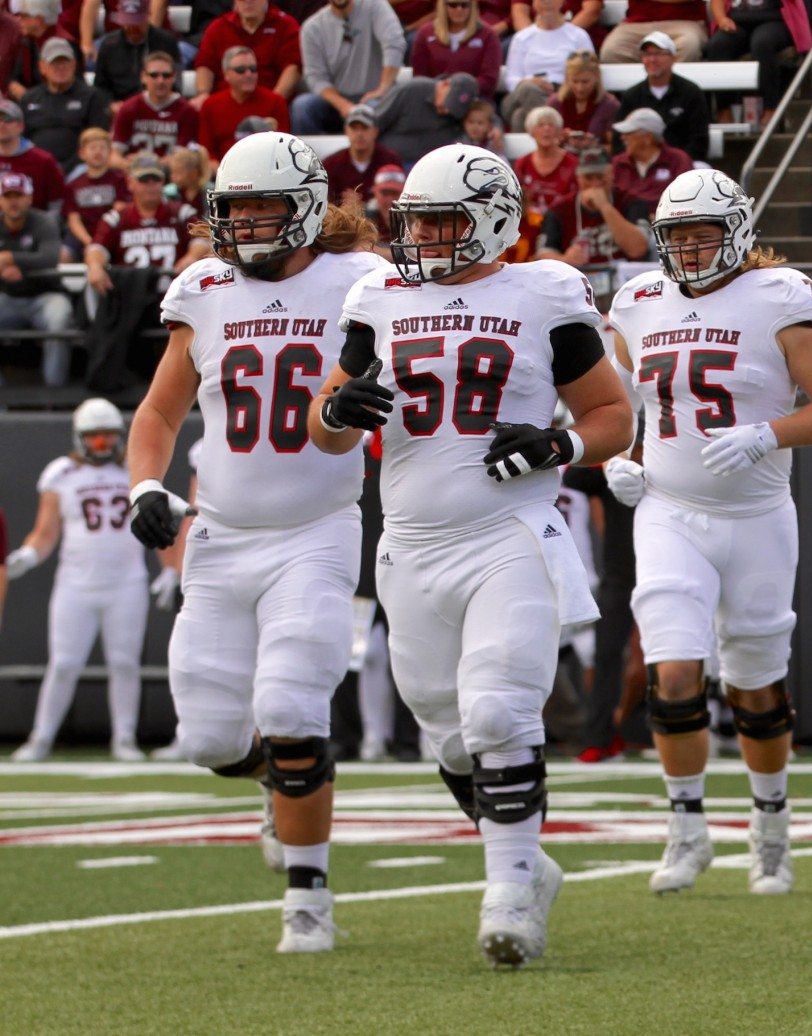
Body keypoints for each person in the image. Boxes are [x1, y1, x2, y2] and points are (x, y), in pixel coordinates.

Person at [307, 142, 633, 965]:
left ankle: (509, 895)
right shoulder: (377, 293)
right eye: (418, 221)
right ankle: (527, 862)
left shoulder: (545, 291)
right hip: (409, 545)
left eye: (446, 220)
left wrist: (558, 444)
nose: (428, 237)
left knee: (497, 711)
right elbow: (320, 419)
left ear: (493, 218)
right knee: (448, 736)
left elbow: (612, 419)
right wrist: (339, 407)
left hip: (507, 535)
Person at [124, 132, 386, 953]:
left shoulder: (361, 281)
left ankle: (308, 896)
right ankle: (278, 786)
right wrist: (145, 486)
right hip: (223, 536)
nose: (245, 223)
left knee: (290, 706)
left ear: (304, 208)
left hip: (315, 530)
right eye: (234, 208)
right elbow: (161, 413)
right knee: (208, 738)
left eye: (262, 206)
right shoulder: (204, 287)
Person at [603, 168, 812, 896]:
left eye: (702, 233)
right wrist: (624, 456)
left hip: (753, 515)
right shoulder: (638, 301)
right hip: (668, 509)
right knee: (674, 670)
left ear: (737, 232)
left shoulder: (777, 299)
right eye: (675, 235)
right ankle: (686, 830)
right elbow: (623, 400)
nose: (687, 248)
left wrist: (767, 435)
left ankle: (770, 828)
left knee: (755, 681)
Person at [7, 399, 150, 761]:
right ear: (79, 438)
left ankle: (125, 738)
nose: (102, 445)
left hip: (126, 582)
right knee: (65, 662)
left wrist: (171, 570)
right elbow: (45, 532)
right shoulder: (61, 474)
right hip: (75, 583)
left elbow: (154, 522)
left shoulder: (135, 468)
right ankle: (41, 738)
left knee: (124, 662)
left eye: (108, 437)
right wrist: (27, 555)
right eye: (95, 438)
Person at [84, 154, 205, 291]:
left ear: (163, 182)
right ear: (130, 183)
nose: (151, 185)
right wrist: (95, 266)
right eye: (144, 179)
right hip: (132, 299)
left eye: (156, 179)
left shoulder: (183, 213)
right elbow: (96, 248)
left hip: (174, 295)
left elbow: (202, 240)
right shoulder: (115, 218)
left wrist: (192, 256)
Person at [0, 172, 71, 384]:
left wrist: (9, 258)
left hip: (46, 294)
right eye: (8, 196)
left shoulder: (43, 221)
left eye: (18, 196)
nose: (13, 202)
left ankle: (54, 396)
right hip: (7, 296)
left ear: (29, 198)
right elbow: (37, 259)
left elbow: (49, 258)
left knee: (60, 319)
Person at [293, 0, 406, 134]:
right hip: (335, 102)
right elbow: (315, 77)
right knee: (302, 106)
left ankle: (380, 154)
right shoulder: (312, 27)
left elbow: (394, 44)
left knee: (378, 107)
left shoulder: (375, 5)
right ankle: (311, 154)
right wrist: (343, 105)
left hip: (376, 97)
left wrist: (382, 88)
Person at [536, 148, 651, 265]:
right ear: (578, 178)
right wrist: (565, 260)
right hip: (579, 277)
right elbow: (544, 254)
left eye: (601, 177)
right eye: (588, 177)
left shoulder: (631, 202)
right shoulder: (559, 209)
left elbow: (638, 250)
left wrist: (605, 206)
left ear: (611, 175)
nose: (595, 183)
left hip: (623, 277)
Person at [615, 30, 712, 161]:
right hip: (641, 164)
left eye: (659, 54)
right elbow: (620, 140)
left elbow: (698, 140)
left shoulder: (691, 93)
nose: (652, 59)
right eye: (647, 54)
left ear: (673, 58)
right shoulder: (631, 96)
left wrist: (679, 165)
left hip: (684, 165)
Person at [499, 0, 594, 132]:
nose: (546, 1)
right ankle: (555, 131)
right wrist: (530, 82)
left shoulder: (578, 36)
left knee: (519, 116)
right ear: (533, 3)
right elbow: (511, 80)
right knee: (528, 89)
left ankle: (541, 141)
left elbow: (589, 71)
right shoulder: (521, 38)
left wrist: (562, 87)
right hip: (522, 93)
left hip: (561, 93)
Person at [21, 38, 112, 168]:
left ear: (74, 64)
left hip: (80, 168)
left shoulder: (92, 96)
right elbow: (21, 139)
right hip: (36, 168)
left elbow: (97, 138)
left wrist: (68, 167)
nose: (61, 68)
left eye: (65, 62)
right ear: (42, 67)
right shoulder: (29, 98)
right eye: (55, 63)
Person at [197, 46, 291, 159]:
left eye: (253, 69)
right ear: (226, 74)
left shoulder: (275, 101)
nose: (248, 74)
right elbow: (206, 153)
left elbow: (283, 150)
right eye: (241, 70)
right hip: (221, 172)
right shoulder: (210, 105)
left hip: (263, 170)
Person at [112, 50, 203, 161]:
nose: (160, 81)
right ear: (143, 77)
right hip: (133, 173)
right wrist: (128, 165)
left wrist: (151, 162)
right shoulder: (129, 108)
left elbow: (183, 159)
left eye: (166, 75)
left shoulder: (187, 111)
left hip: (172, 174)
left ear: (174, 77)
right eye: (154, 75)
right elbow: (114, 154)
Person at [89, 0, 181, 102]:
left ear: (147, 16)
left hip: (157, 103)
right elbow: (100, 86)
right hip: (119, 105)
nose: (132, 28)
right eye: (127, 23)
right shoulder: (109, 45)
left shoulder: (166, 42)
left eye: (137, 23)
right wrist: (111, 104)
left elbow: (176, 84)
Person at [411, 0, 505, 95]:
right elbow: (419, 76)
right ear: (443, 6)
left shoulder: (488, 35)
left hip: (474, 99)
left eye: (464, 5)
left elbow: (489, 79)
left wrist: (457, 90)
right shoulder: (425, 33)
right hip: (433, 98)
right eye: (453, 5)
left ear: (472, 6)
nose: (459, 9)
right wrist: (441, 92)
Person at [62, 128, 126, 261]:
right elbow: (73, 219)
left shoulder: (120, 180)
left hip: (111, 232)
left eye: (103, 148)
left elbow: (120, 209)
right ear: (82, 153)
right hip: (83, 235)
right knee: (64, 255)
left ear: (110, 152)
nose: (98, 152)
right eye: (93, 148)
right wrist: (88, 241)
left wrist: (99, 241)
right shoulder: (73, 185)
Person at [610, 107, 692, 207]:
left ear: (648, 137)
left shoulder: (678, 160)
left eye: (628, 132)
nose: (622, 137)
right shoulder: (618, 163)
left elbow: (686, 198)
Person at [325, 108, 402, 203]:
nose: (359, 134)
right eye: (354, 128)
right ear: (346, 130)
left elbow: (397, 197)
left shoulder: (391, 160)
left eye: (365, 128)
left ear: (375, 131)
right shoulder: (331, 165)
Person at [512, 106, 577, 215]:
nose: (546, 129)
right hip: (529, 223)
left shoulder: (572, 163)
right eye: (540, 125)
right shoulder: (522, 163)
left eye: (551, 125)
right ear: (531, 131)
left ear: (559, 131)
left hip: (562, 222)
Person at [599, 0, 708, 63]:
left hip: (684, 22)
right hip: (636, 24)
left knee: (688, 46)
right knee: (611, 51)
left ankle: (673, 97)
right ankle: (638, 97)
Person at [547, 50, 617, 142]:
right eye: (575, 81)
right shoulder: (555, 102)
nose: (580, 88)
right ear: (568, 79)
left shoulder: (609, 105)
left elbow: (615, 148)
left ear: (596, 78)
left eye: (585, 82)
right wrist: (560, 138)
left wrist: (592, 144)